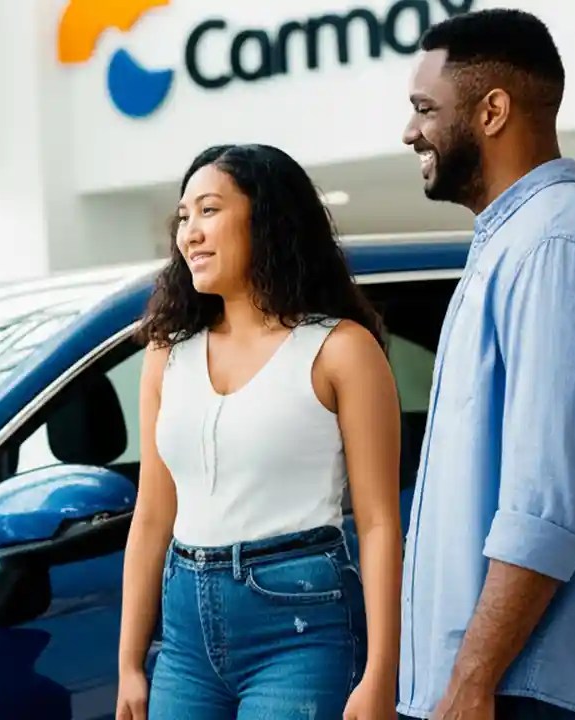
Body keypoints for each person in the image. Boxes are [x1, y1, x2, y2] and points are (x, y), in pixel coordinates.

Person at [398, 9, 575, 720]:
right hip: (512, 687)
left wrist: (472, 680)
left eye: (425, 109)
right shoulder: (515, 244)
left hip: (539, 692)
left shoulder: (560, 250)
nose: (409, 132)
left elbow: (547, 507)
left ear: (492, 111)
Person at [114, 143, 403, 720]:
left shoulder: (340, 350)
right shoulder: (167, 355)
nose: (190, 232)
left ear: (267, 218)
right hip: (185, 638)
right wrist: (127, 665)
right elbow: (151, 516)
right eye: (183, 216)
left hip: (299, 628)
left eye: (210, 210)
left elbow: (377, 523)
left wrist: (380, 678)